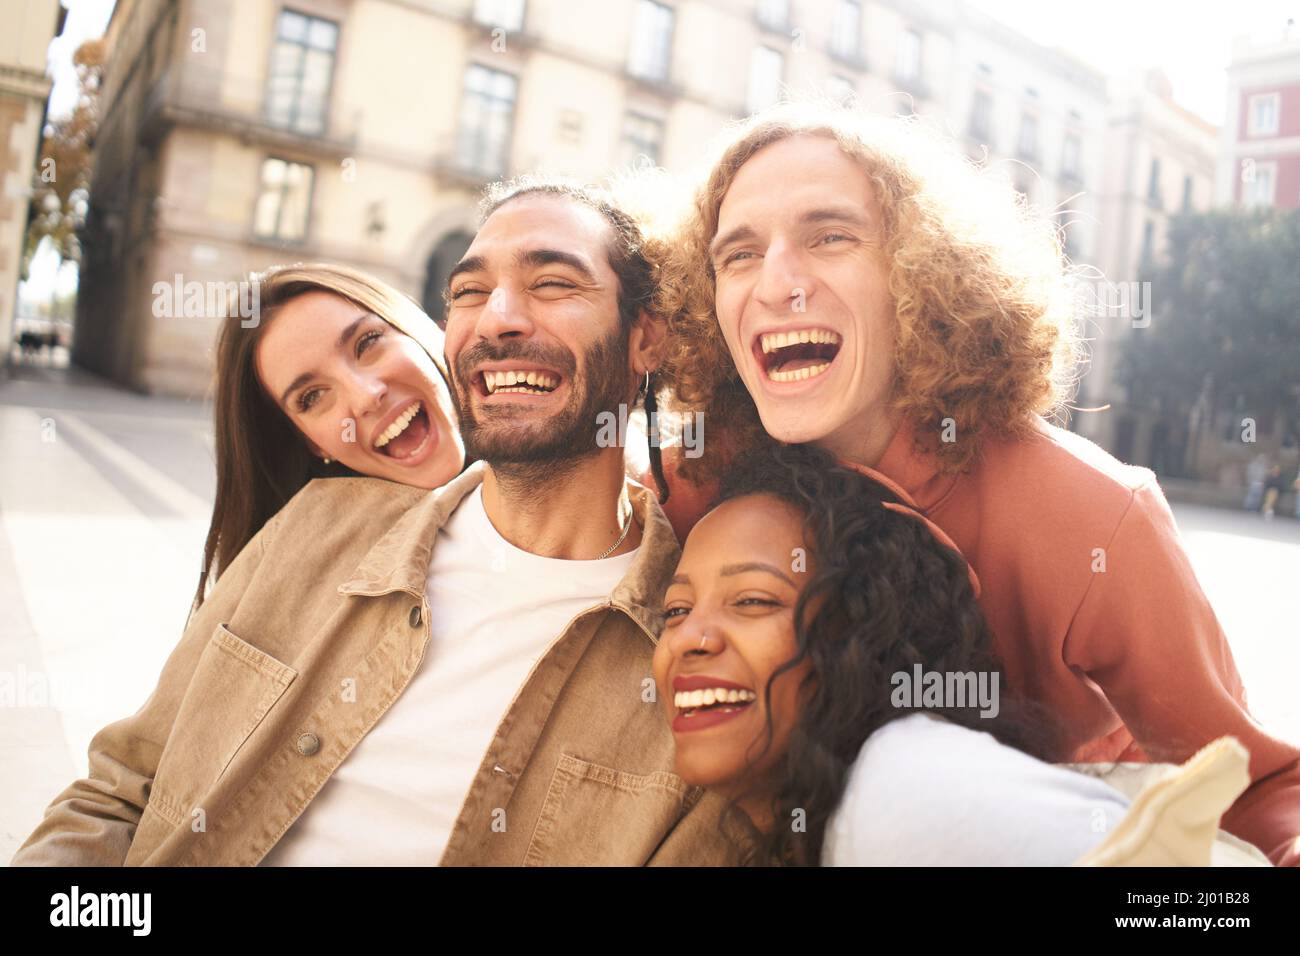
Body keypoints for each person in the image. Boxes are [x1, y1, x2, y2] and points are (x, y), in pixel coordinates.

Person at [10, 179, 738, 866]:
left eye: (551, 282)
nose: (498, 317)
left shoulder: (702, 656)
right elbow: (118, 794)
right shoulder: (316, 527)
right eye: (470, 292)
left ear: (649, 337)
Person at [653, 102, 1300, 866]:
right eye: (738, 255)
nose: (779, 283)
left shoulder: (1091, 515)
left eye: (831, 237)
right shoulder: (697, 478)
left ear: (922, 274)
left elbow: (1256, 790)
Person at [653, 443, 1133, 865]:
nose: (690, 637)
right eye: (676, 610)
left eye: (752, 600)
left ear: (860, 633)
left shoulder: (909, 787)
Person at [197, 263, 465, 609]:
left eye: (367, 343)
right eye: (312, 397)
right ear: (311, 442)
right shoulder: (300, 599)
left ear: (411, 331)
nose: (366, 396)